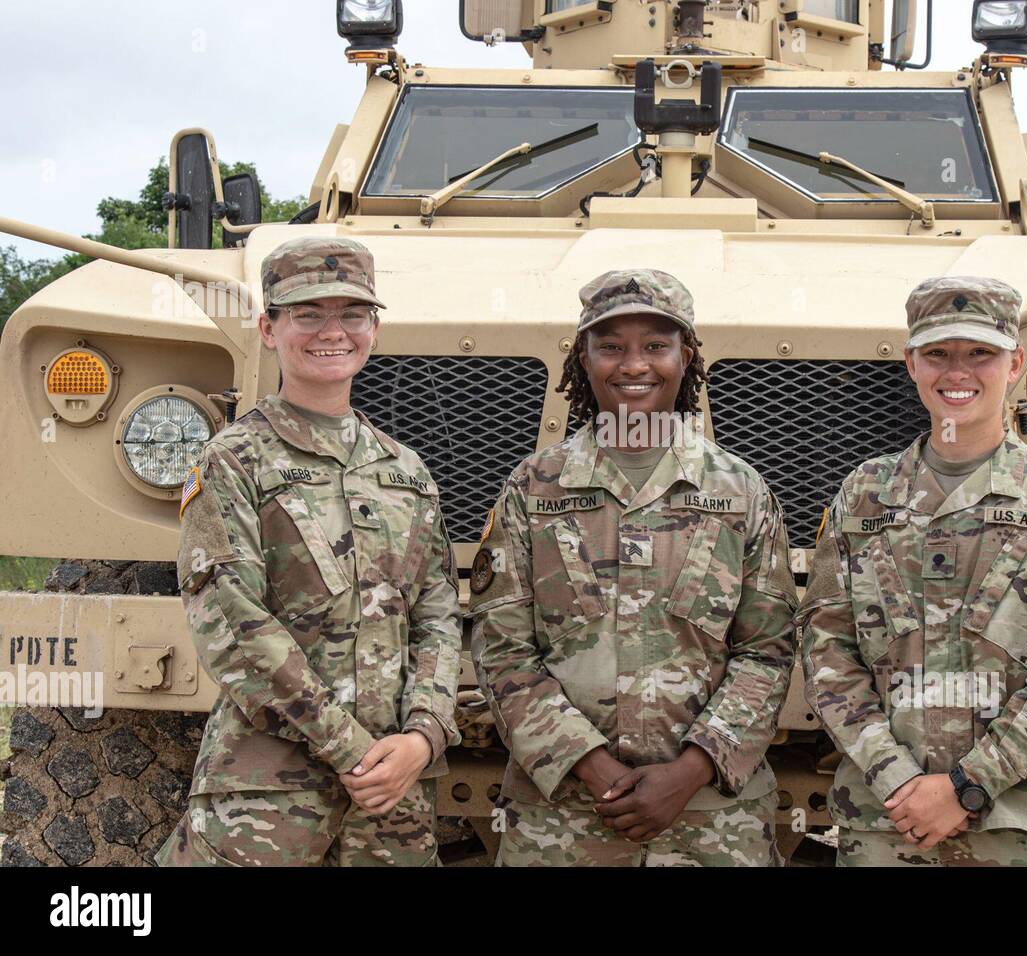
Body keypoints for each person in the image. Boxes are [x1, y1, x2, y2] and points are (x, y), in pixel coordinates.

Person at [469, 268, 797, 866]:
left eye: (655, 345)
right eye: (611, 346)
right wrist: (592, 768)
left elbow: (767, 651)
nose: (633, 365)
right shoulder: (534, 488)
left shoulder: (740, 491)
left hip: (714, 819)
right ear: (584, 359)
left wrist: (692, 770)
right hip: (562, 820)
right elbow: (501, 649)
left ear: (686, 356)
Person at [155, 237, 462, 866]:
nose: (333, 332)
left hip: (391, 801)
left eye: (352, 313)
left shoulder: (405, 472)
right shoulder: (234, 461)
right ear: (269, 329)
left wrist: (423, 738)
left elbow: (437, 614)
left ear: (373, 327)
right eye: (307, 314)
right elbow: (233, 626)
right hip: (266, 795)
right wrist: (352, 748)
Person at [798, 276, 1027, 867]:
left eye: (980, 353)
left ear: (1016, 362)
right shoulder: (864, 497)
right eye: (938, 354)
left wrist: (968, 787)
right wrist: (896, 778)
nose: (958, 372)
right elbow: (828, 656)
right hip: (886, 825)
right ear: (911, 364)